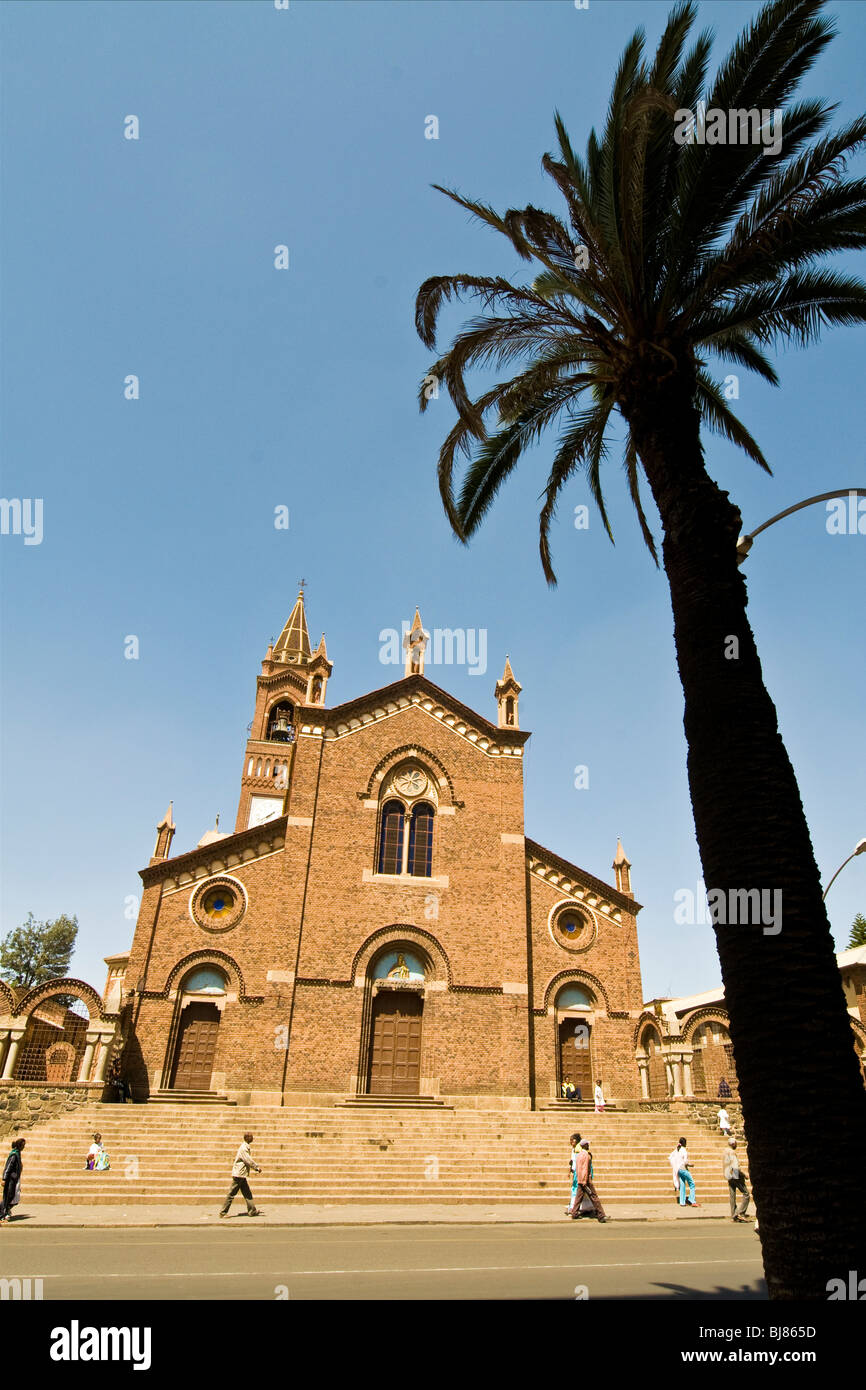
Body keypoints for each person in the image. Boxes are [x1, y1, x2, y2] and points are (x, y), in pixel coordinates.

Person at [219, 1132, 262, 1217]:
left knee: (247, 1193)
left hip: (242, 1174)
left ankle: (252, 1210)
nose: (253, 1138)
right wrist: (257, 1167)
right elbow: (248, 1160)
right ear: (247, 1138)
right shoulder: (243, 1148)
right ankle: (223, 1212)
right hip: (239, 1174)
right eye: (251, 1137)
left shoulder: (245, 1147)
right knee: (231, 1194)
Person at [572, 1139, 608, 1222]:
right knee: (594, 1197)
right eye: (587, 1144)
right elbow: (585, 1169)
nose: (588, 1145)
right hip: (586, 1180)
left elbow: (578, 1169)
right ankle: (601, 1215)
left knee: (578, 1197)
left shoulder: (579, 1155)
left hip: (580, 1179)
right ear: (584, 1145)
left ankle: (574, 1213)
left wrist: (580, 1179)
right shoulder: (586, 1155)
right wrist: (585, 1181)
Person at [723, 1139, 751, 1222]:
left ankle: (733, 1214)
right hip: (735, 1175)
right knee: (746, 1194)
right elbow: (735, 1167)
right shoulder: (732, 1152)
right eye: (736, 1144)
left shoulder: (725, 1151)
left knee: (732, 1195)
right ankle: (740, 1213)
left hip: (728, 1175)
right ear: (733, 1144)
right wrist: (744, 1174)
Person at [0, 1138, 25, 1223]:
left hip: (14, 1179)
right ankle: (2, 1214)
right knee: (8, 1196)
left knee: (14, 1197)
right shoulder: (14, 1155)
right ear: (20, 1145)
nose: (24, 1147)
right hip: (10, 1179)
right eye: (23, 1145)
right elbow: (8, 1167)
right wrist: (4, 1179)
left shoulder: (17, 1154)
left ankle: (5, 1211)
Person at [675, 1136, 699, 1207]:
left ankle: (682, 1202)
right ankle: (692, 1201)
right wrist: (691, 1165)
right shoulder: (684, 1150)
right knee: (692, 1184)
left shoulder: (678, 1150)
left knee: (682, 1185)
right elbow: (685, 1162)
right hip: (683, 1169)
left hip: (678, 1169)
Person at [565, 1132, 582, 1215]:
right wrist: (569, 1171)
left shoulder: (579, 1150)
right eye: (570, 1140)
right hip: (575, 1172)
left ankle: (573, 1207)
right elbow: (572, 1162)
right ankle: (573, 1207)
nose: (571, 1142)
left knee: (576, 1190)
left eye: (573, 1140)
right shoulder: (573, 1150)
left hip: (579, 1172)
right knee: (575, 1189)